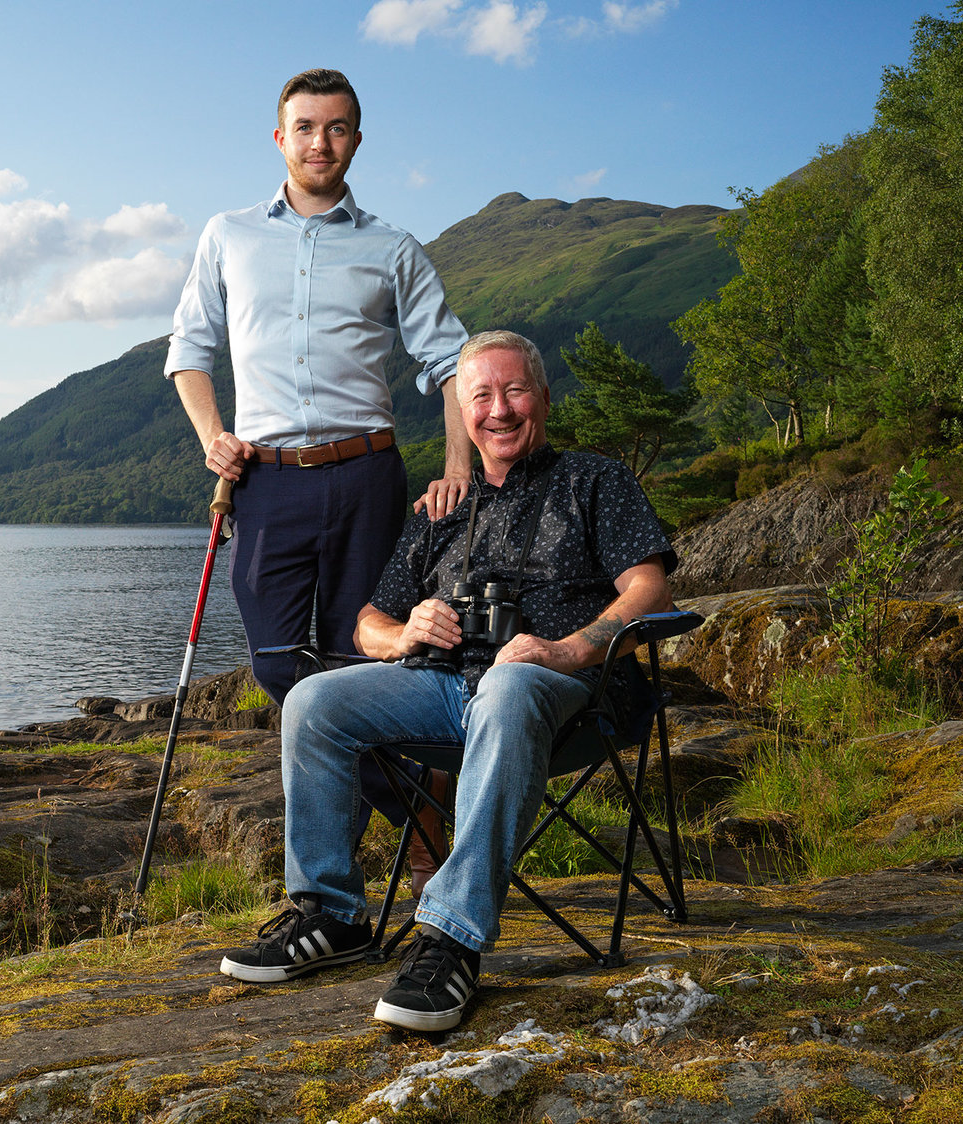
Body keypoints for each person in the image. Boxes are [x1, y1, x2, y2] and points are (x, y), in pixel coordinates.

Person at [217, 330, 678, 1033]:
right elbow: (367, 621)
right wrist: (402, 635)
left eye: (515, 390)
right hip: (441, 689)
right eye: (481, 396)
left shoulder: (595, 482)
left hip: (563, 693)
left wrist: (567, 649)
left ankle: (451, 939)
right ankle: (332, 915)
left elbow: (648, 582)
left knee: (510, 684)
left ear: (544, 399)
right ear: (463, 412)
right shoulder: (442, 508)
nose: (500, 409)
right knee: (312, 698)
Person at [165, 69, 468, 892]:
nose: (320, 143)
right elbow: (189, 353)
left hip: (367, 473)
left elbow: (452, 363)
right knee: (273, 664)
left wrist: (456, 466)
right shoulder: (227, 235)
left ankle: (335, 886)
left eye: (336, 129)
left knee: (357, 655)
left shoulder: (393, 247)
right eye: (304, 128)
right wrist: (213, 441)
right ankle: (416, 796)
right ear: (279, 138)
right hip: (266, 482)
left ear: (356, 141)